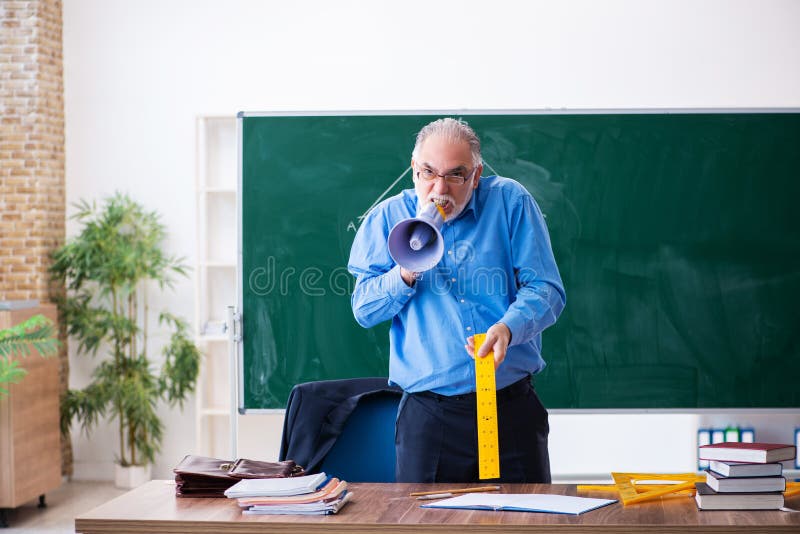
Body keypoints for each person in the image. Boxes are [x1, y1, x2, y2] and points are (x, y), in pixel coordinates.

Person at [347, 117, 565, 483]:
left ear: (476, 176)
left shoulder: (510, 202)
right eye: (428, 173)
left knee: (526, 523)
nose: (439, 188)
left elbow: (546, 289)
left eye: (455, 175)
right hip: (429, 420)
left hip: (508, 408)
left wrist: (508, 328)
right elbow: (364, 310)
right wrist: (405, 271)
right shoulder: (387, 218)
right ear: (414, 169)